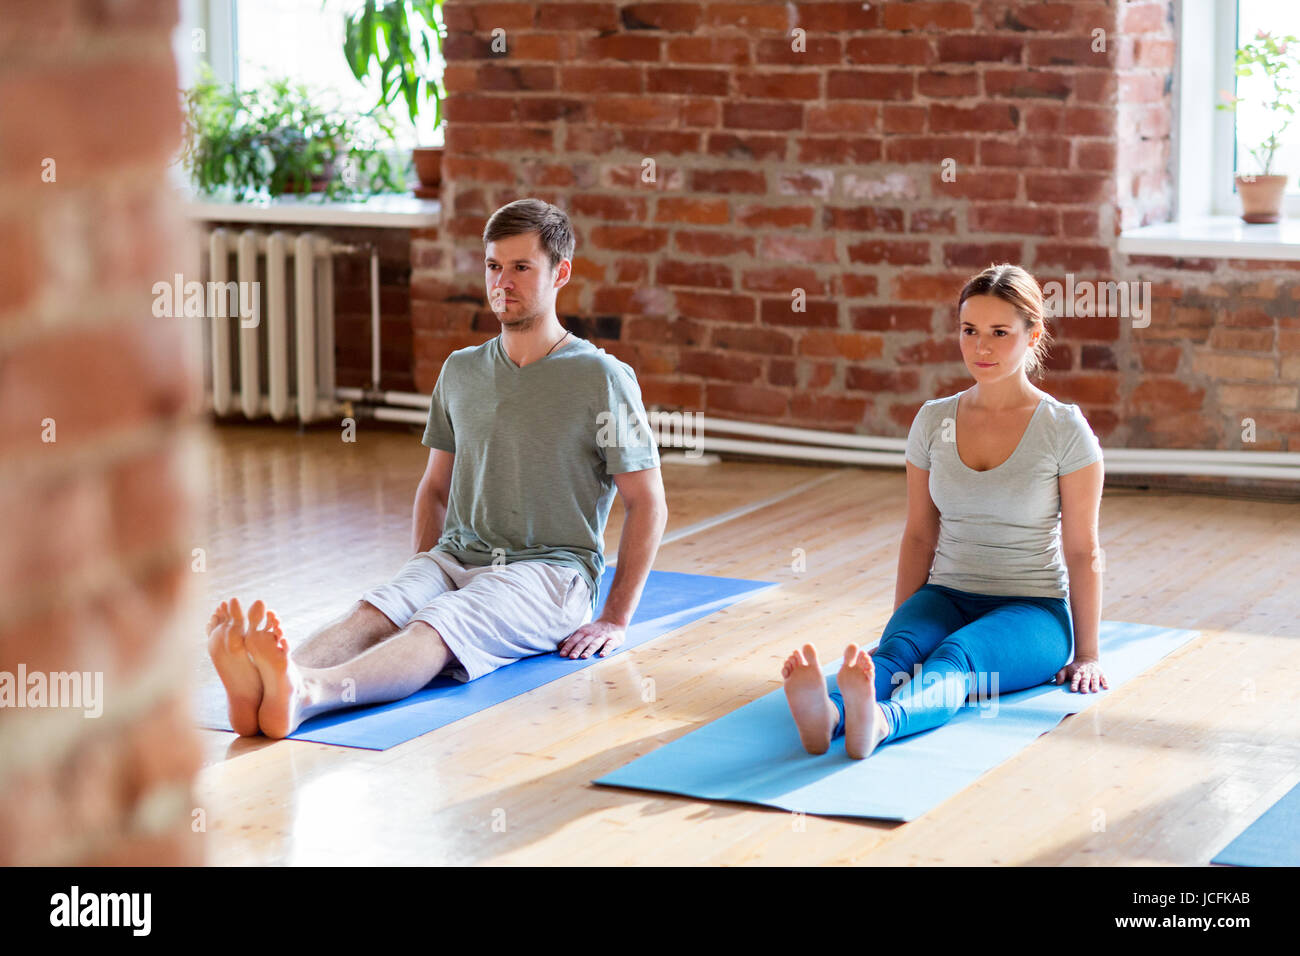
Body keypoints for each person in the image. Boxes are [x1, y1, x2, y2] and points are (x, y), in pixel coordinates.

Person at [208, 198, 668, 738]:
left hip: (549, 573)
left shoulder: (601, 378)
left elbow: (647, 502)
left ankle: (305, 694)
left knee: (435, 625)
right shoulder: (461, 370)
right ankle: (267, 687)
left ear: (560, 273)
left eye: (522, 267)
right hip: (455, 557)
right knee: (376, 611)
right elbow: (433, 491)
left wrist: (613, 618)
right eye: (494, 266)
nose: (503, 283)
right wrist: (423, 572)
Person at [782, 263, 1108, 759]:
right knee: (897, 656)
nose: (981, 347)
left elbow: (1083, 550)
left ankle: (882, 723)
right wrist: (900, 629)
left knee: (954, 660)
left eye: (1000, 333)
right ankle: (828, 715)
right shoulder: (934, 421)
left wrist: (1087, 654)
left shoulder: (1064, 430)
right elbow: (918, 535)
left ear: (1032, 334)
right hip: (946, 593)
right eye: (969, 331)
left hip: (1032, 608)